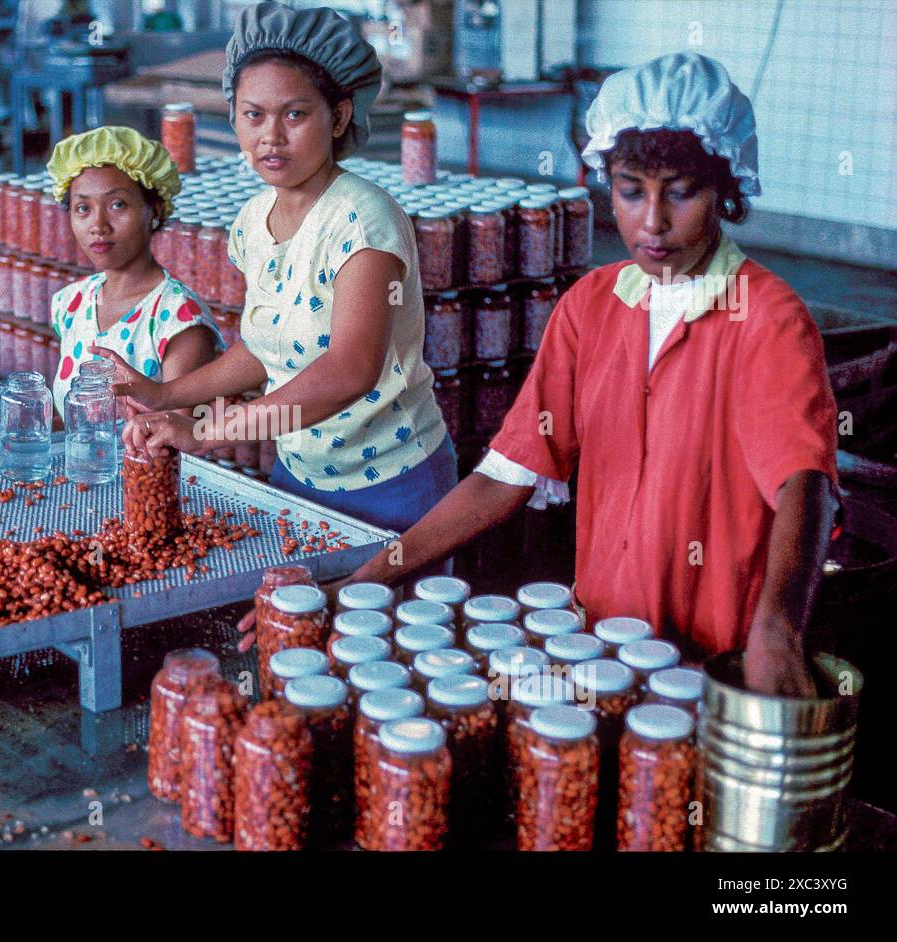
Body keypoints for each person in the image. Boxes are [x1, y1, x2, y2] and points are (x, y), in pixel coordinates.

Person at [342, 51, 840, 696]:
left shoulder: (766, 317)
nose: (653, 221)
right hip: (599, 649)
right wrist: (363, 582)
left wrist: (778, 629)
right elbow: (504, 479)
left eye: (681, 192)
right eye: (632, 191)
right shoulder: (592, 307)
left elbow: (805, 483)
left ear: (726, 189)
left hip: (715, 665)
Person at [93, 1, 456, 537]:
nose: (271, 136)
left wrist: (209, 429)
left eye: (295, 114)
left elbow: (347, 373)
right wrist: (167, 396)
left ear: (337, 117)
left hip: (393, 481)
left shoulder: (364, 221)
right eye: (253, 114)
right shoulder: (252, 221)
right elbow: (265, 347)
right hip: (298, 473)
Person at [45, 126, 221, 419]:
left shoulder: (179, 318)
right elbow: (67, 417)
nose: (98, 225)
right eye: (82, 208)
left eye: (117, 204)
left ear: (155, 210)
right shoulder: (70, 304)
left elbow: (177, 436)